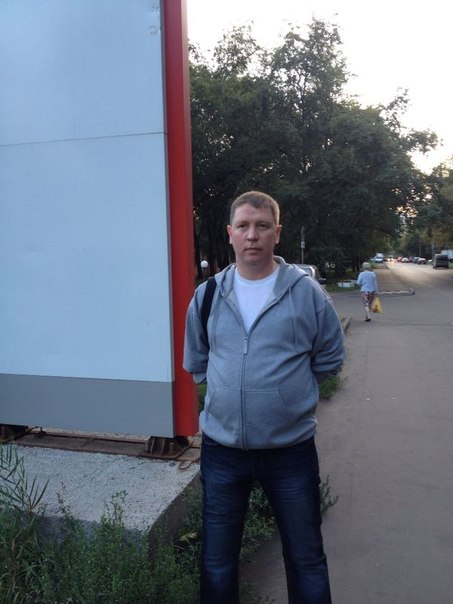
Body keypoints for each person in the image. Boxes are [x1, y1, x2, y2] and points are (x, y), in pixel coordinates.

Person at [183, 191, 345, 604]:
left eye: (262, 226)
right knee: (217, 562)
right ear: (230, 233)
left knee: (306, 559)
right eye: (243, 226)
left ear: (277, 232)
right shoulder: (208, 294)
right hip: (223, 450)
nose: (252, 235)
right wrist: (228, 391)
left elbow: (329, 357)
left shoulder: (306, 293)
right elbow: (197, 360)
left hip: (290, 450)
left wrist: (288, 395)